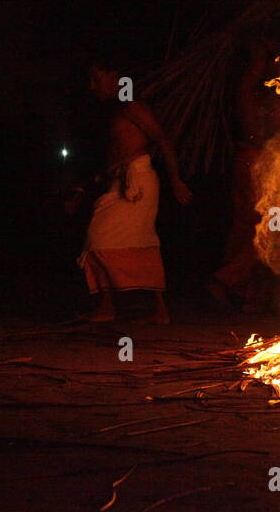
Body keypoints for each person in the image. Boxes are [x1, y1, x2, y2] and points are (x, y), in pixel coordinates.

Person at [69, 56, 192, 324]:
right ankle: (117, 307)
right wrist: (84, 188)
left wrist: (176, 181)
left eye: (96, 79)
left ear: (114, 76)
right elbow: (117, 157)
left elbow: (162, 140)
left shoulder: (133, 106)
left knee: (100, 239)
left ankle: (141, 308)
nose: (91, 86)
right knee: (126, 240)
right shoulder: (117, 109)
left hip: (139, 183)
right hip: (122, 182)